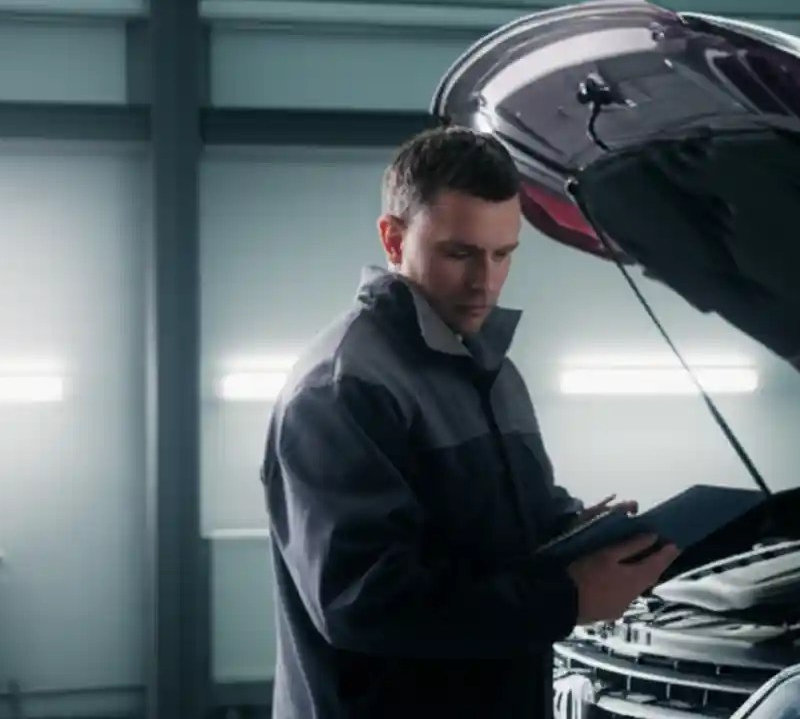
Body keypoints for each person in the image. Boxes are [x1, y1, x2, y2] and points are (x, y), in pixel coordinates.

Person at [260, 126, 680, 719]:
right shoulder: (340, 390)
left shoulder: (493, 371)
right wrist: (566, 598)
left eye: (503, 255)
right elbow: (364, 602)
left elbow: (495, 527)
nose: (484, 283)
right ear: (393, 238)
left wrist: (571, 532)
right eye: (460, 253)